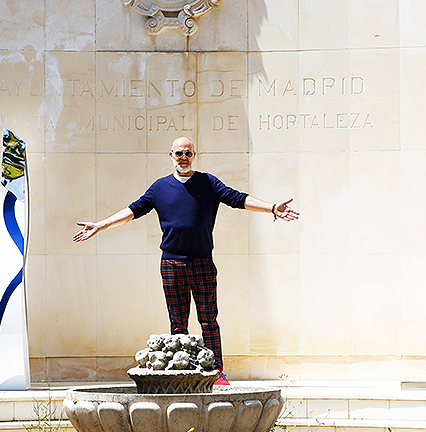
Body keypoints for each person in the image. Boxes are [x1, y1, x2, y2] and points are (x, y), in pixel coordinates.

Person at [73, 137, 299, 384]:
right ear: (171, 155)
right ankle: (184, 373)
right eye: (179, 153)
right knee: (178, 323)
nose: (183, 157)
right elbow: (133, 211)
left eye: (188, 153)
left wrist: (273, 207)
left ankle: (216, 372)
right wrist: (100, 225)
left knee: (209, 320)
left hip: (202, 263)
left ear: (194, 155)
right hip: (172, 265)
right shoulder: (159, 188)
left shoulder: (208, 182)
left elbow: (238, 198)